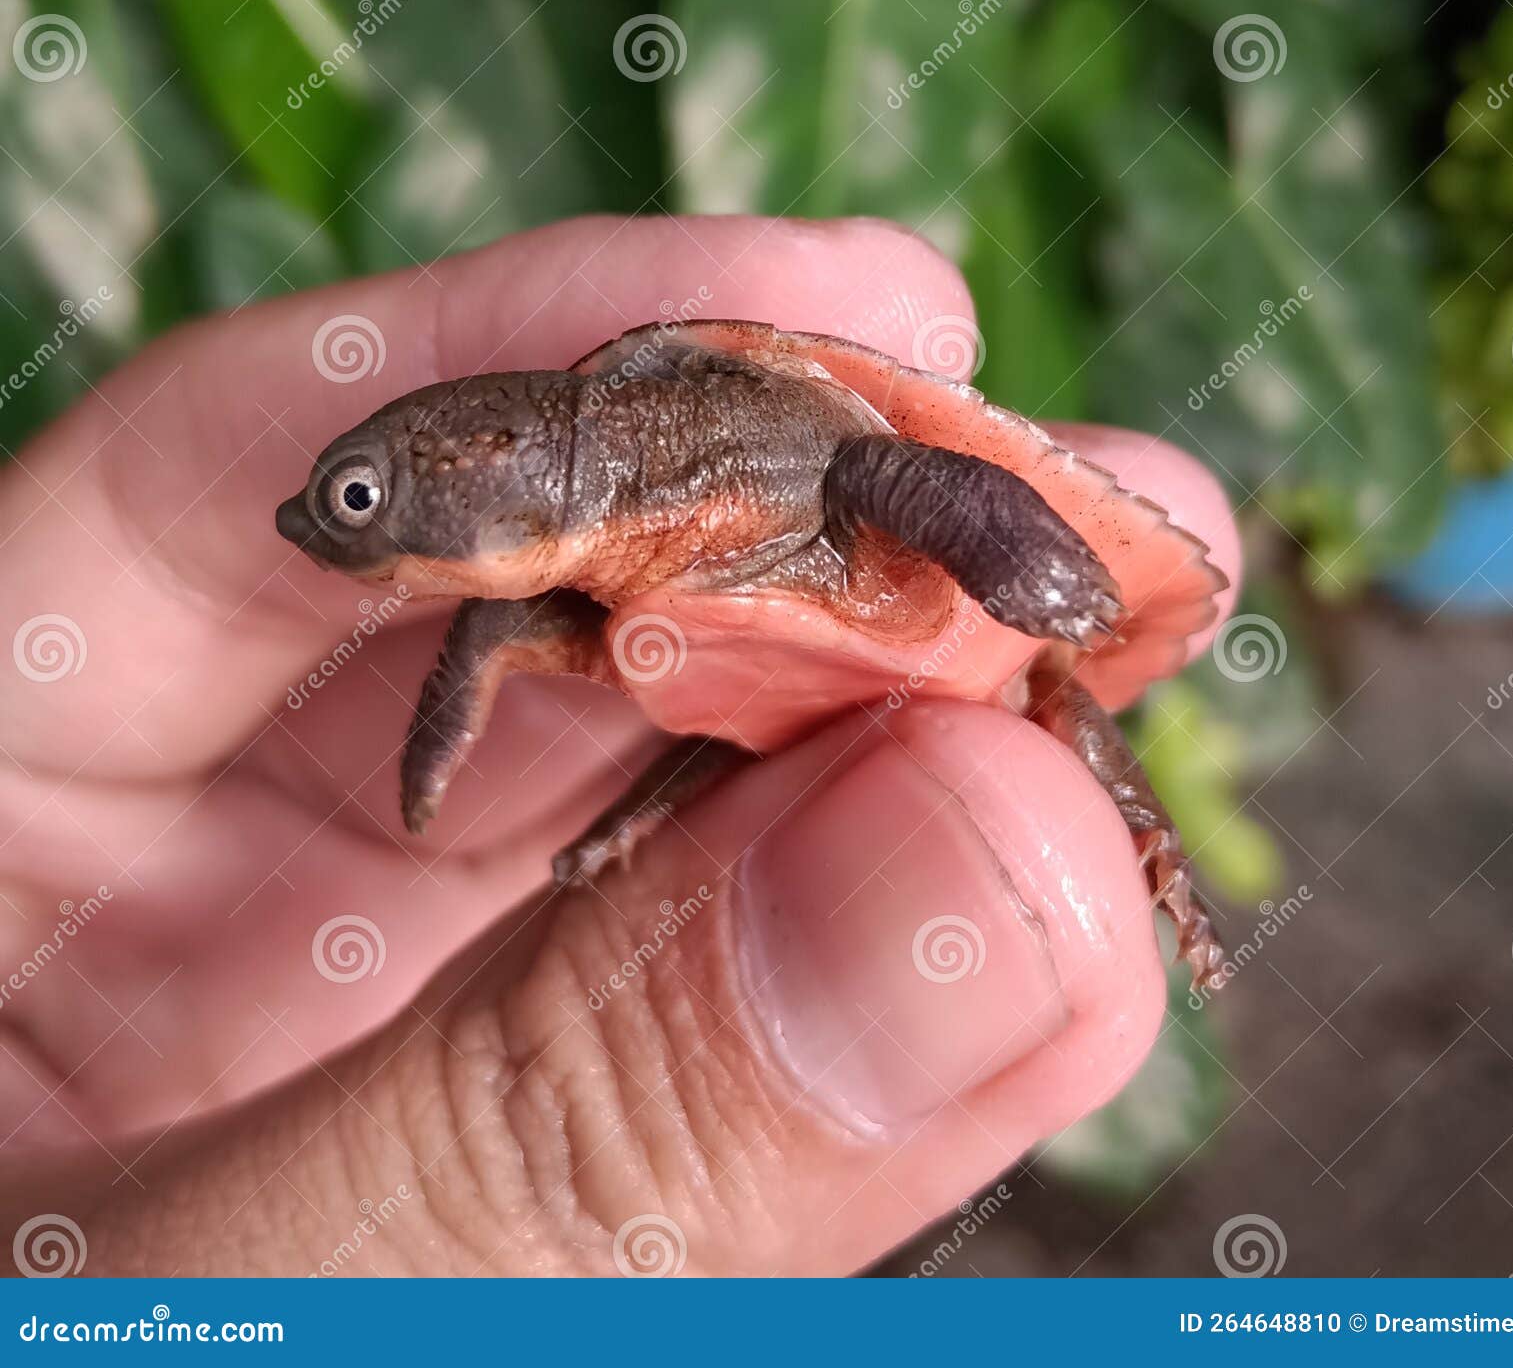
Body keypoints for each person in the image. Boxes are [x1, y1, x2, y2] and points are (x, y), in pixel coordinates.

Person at [0, 216, 1238, 1277]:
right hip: (791, 711)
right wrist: (444, 723)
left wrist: (1015, 556)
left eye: (358, 496)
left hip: (970, 598)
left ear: (494, 457)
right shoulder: (586, 588)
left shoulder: (706, 440)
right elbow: (494, 621)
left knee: (1048, 703)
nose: (321, 525)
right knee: (714, 758)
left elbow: (866, 463)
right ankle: (632, 820)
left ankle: (1153, 846)